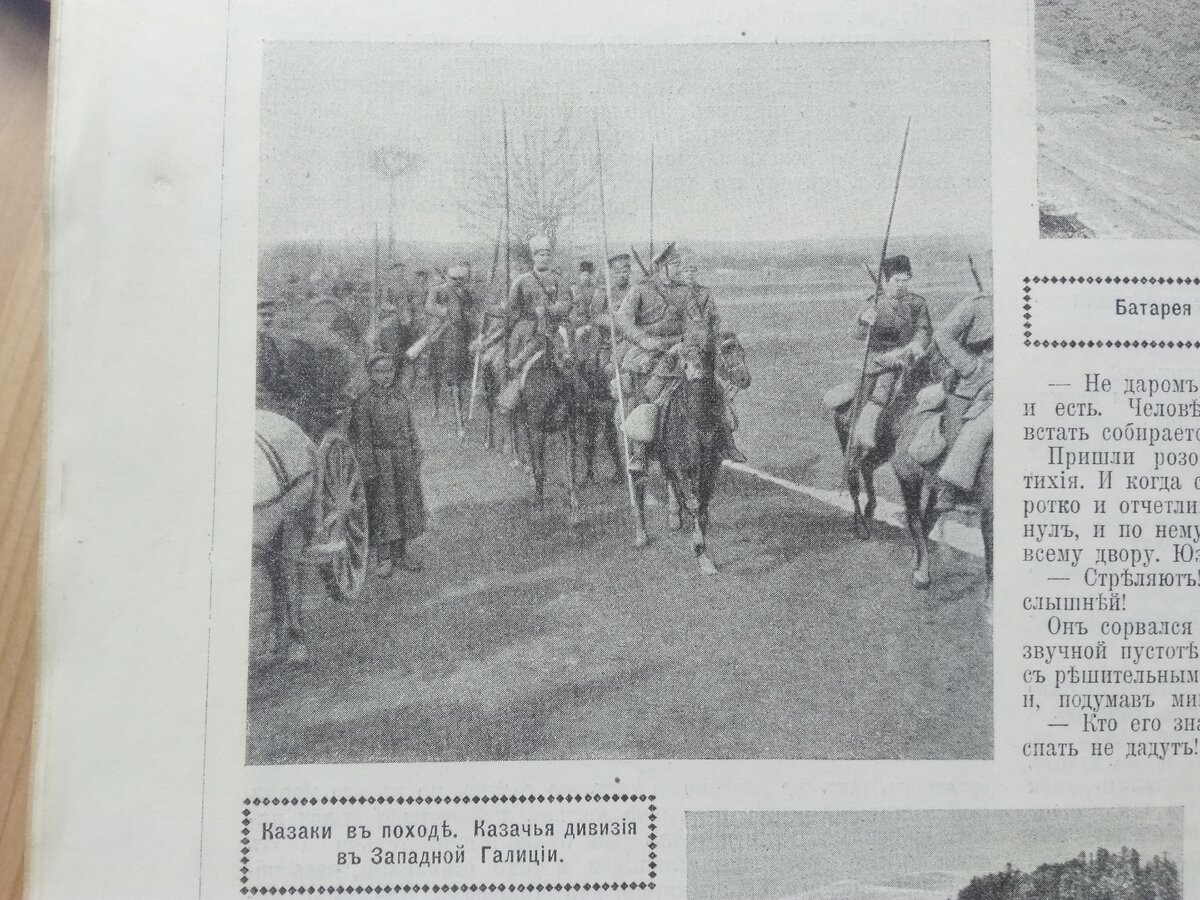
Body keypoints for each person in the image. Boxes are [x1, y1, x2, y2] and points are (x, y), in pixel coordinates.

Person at [832, 254, 932, 456]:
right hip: (878, 363)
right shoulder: (873, 303)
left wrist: (917, 343)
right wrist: (864, 321)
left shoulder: (917, 303)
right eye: (897, 281)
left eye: (906, 280)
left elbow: (924, 328)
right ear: (886, 281)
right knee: (866, 400)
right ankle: (853, 452)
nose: (902, 285)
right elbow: (857, 334)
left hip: (908, 360)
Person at [350, 352, 426, 577]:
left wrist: (416, 450)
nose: (385, 376)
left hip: (403, 459)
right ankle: (384, 558)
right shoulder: (365, 403)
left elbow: (410, 427)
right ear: (371, 374)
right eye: (379, 371)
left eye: (389, 370)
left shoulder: (401, 397)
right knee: (384, 510)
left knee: (405, 506)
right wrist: (369, 468)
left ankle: (402, 554)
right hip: (382, 463)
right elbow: (362, 439)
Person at [932, 290, 993, 511]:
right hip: (976, 375)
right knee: (959, 426)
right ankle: (951, 486)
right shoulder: (976, 304)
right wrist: (970, 366)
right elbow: (943, 336)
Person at [502, 235, 574, 399]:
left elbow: (567, 303)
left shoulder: (559, 280)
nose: (545, 258)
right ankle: (511, 388)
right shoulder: (521, 281)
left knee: (569, 353)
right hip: (527, 325)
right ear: (534, 257)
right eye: (541, 254)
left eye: (548, 254)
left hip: (554, 325)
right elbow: (512, 307)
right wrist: (520, 313)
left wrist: (549, 309)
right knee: (514, 353)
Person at [425, 262, 481, 435]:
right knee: (440, 374)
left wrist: (473, 320)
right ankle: (450, 416)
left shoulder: (466, 293)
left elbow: (472, 311)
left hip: (463, 334)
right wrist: (447, 312)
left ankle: (460, 416)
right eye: (454, 278)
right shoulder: (438, 290)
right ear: (447, 277)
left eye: (461, 279)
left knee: (461, 374)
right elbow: (428, 306)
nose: (457, 282)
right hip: (444, 333)